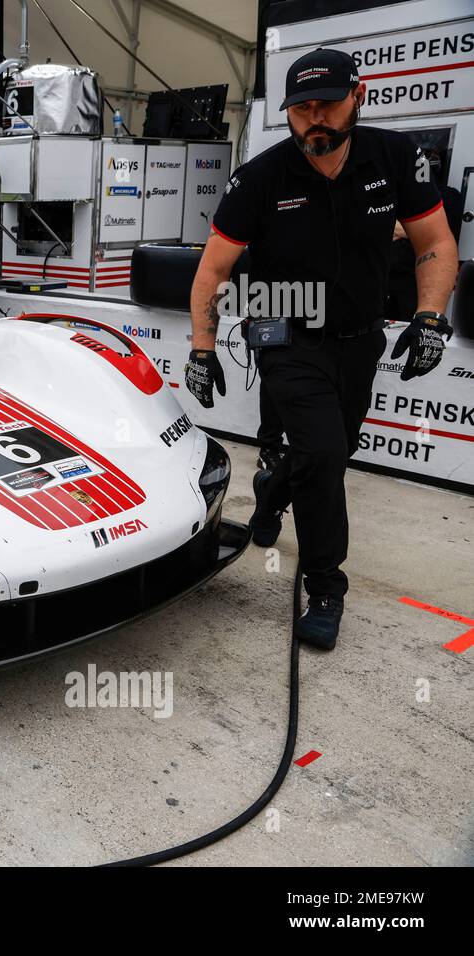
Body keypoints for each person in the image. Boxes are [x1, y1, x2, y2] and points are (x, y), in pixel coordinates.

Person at [185, 48, 457, 650]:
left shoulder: (396, 157)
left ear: (358, 96)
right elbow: (213, 272)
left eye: (327, 105)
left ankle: (272, 489)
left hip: (360, 340)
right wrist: (203, 349)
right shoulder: (258, 179)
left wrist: (431, 317)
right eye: (302, 109)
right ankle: (326, 587)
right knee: (325, 450)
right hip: (284, 336)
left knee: (330, 450)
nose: (316, 120)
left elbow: (434, 242)